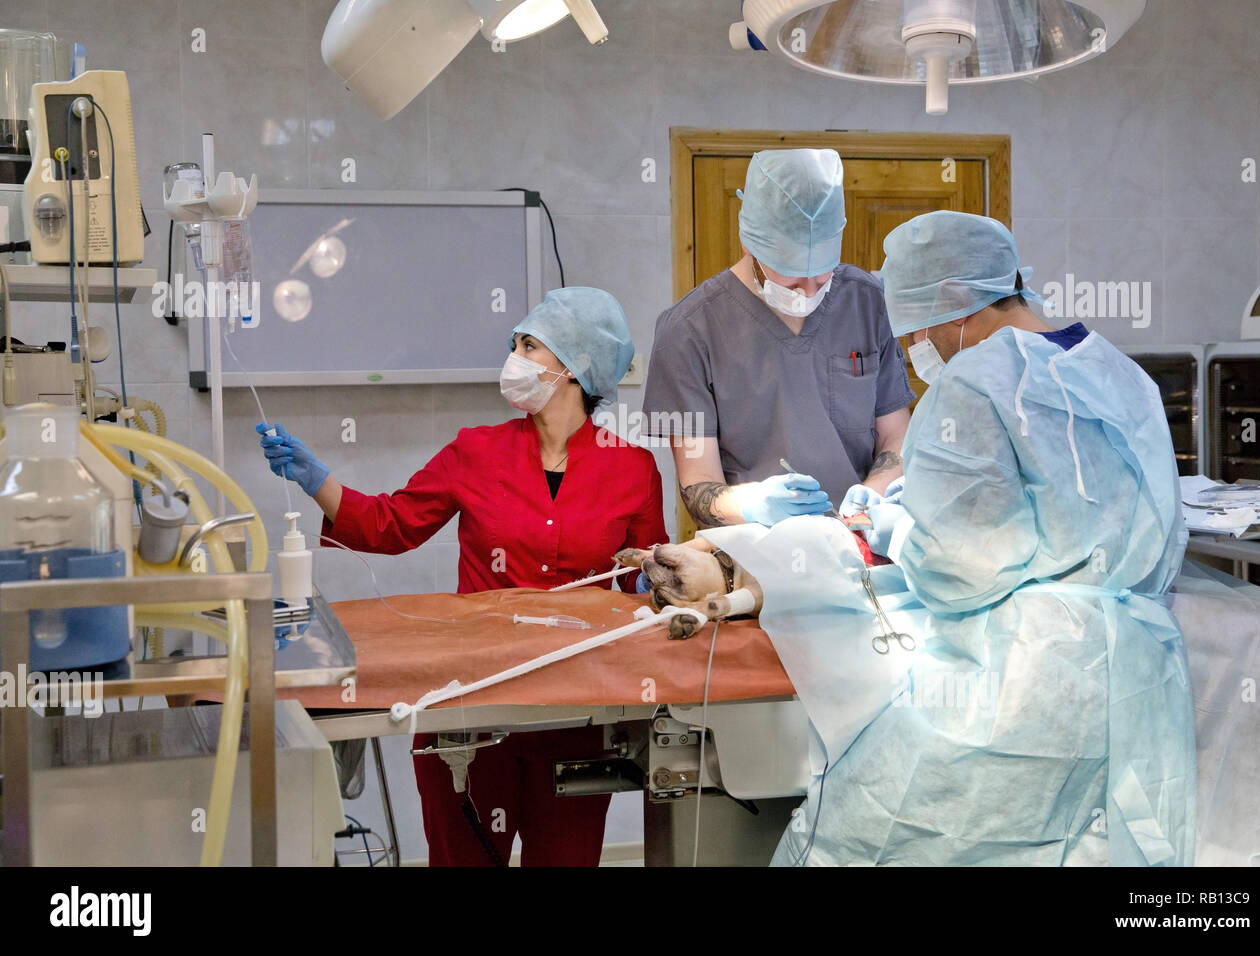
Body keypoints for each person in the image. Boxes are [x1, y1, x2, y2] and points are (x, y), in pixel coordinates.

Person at [771, 210, 1196, 865]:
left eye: (917, 331)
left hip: (1021, 681)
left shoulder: (975, 379)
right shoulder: (1119, 370)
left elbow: (961, 570)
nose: (918, 350)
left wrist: (899, 525)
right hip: (1137, 673)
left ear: (952, 308)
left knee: (858, 839)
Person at [256, 287, 667, 867]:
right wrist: (315, 478)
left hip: (578, 712)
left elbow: (645, 579)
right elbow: (388, 526)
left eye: (529, 345)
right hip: (470, 710)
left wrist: (652, 578)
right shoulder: (476, 452)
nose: (514, 357)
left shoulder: (632, 469)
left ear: (574, 366)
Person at [641, 148, 913, 531]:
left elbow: (897, 435)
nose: (808, 292)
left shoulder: (866, 303)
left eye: (822, 277)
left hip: (858, 543)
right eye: (791, 279)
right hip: (752, 560)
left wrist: (874, 494)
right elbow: (698, 483)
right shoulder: (688, 330)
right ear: (750, 242)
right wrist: (753, 503)